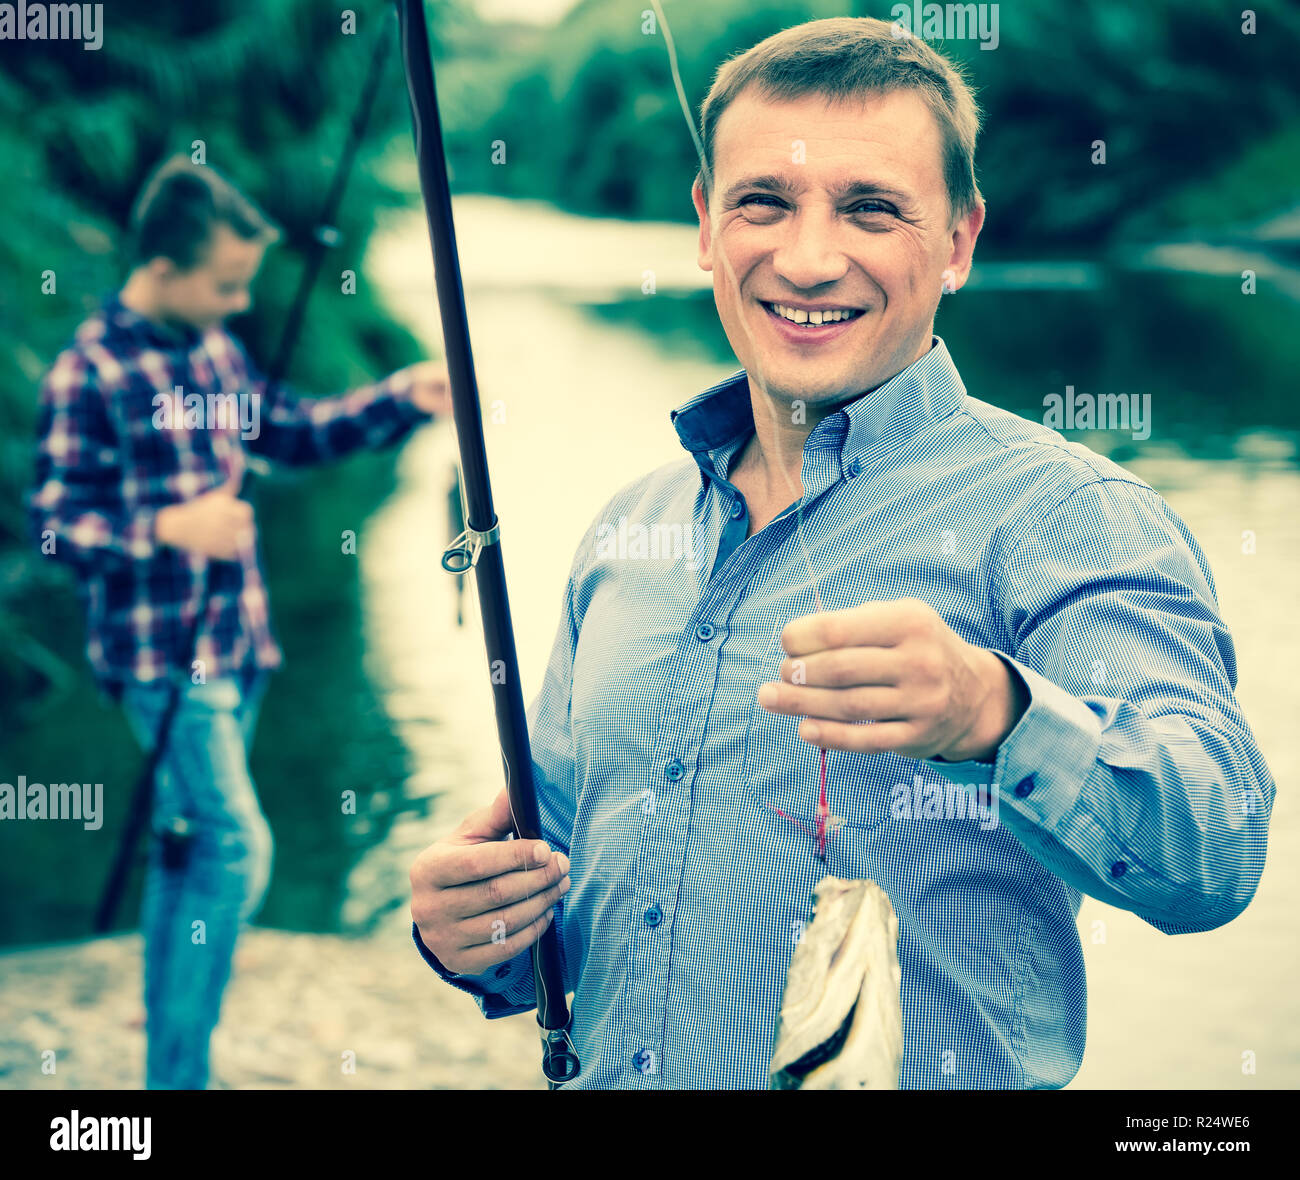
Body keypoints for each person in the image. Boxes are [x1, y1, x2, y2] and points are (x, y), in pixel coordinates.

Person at [407, 17, 1275, 1089]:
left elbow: (1217, 852)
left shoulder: (1067, 513)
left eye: (870, 208)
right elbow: (571, 895)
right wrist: (475, 935)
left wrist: (993, 714)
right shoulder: (624, 536)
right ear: (703, 224)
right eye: (761, 202)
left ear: (957, 240)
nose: (807, 258)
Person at [29, 154, 451, 1089]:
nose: (237, 302)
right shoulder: (90, 370)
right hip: (157, 659)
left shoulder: (214, 351)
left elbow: (289, 433)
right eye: (225, 284)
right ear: (165, 266)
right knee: (232, 845)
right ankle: (178, 1080)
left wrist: (399, 401)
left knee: (187, 853)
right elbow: (54, 526)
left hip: (238, 645)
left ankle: (174, 1067)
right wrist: (164, 528)